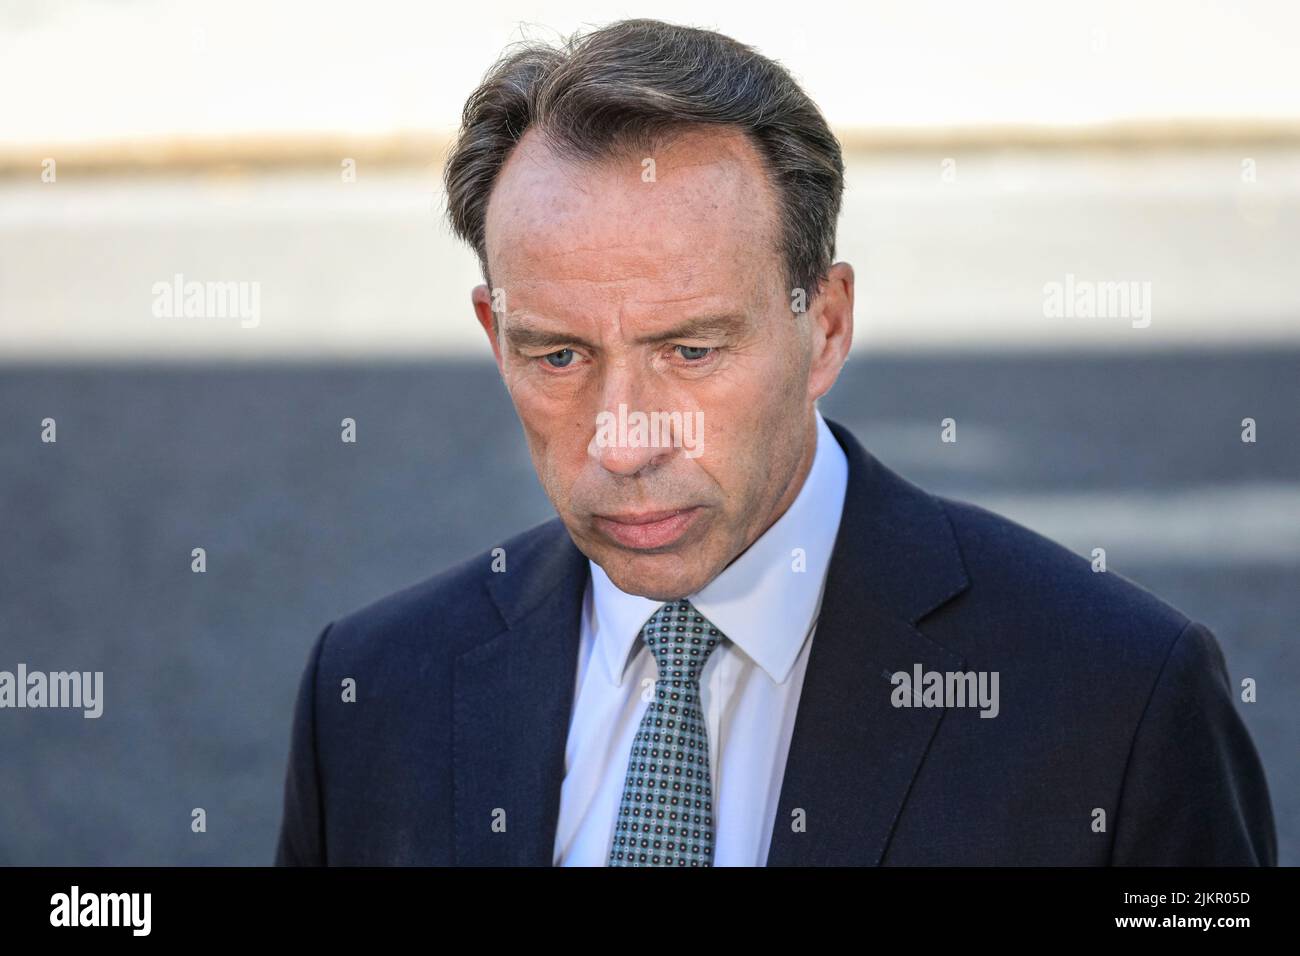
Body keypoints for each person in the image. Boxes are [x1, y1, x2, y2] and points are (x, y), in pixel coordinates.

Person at [274, 18, 1276, 866]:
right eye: (560, 356)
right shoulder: (368, 695)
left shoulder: (1117, 698)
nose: (624, 440)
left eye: (692, 348)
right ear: (495, 334)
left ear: (825, 326)